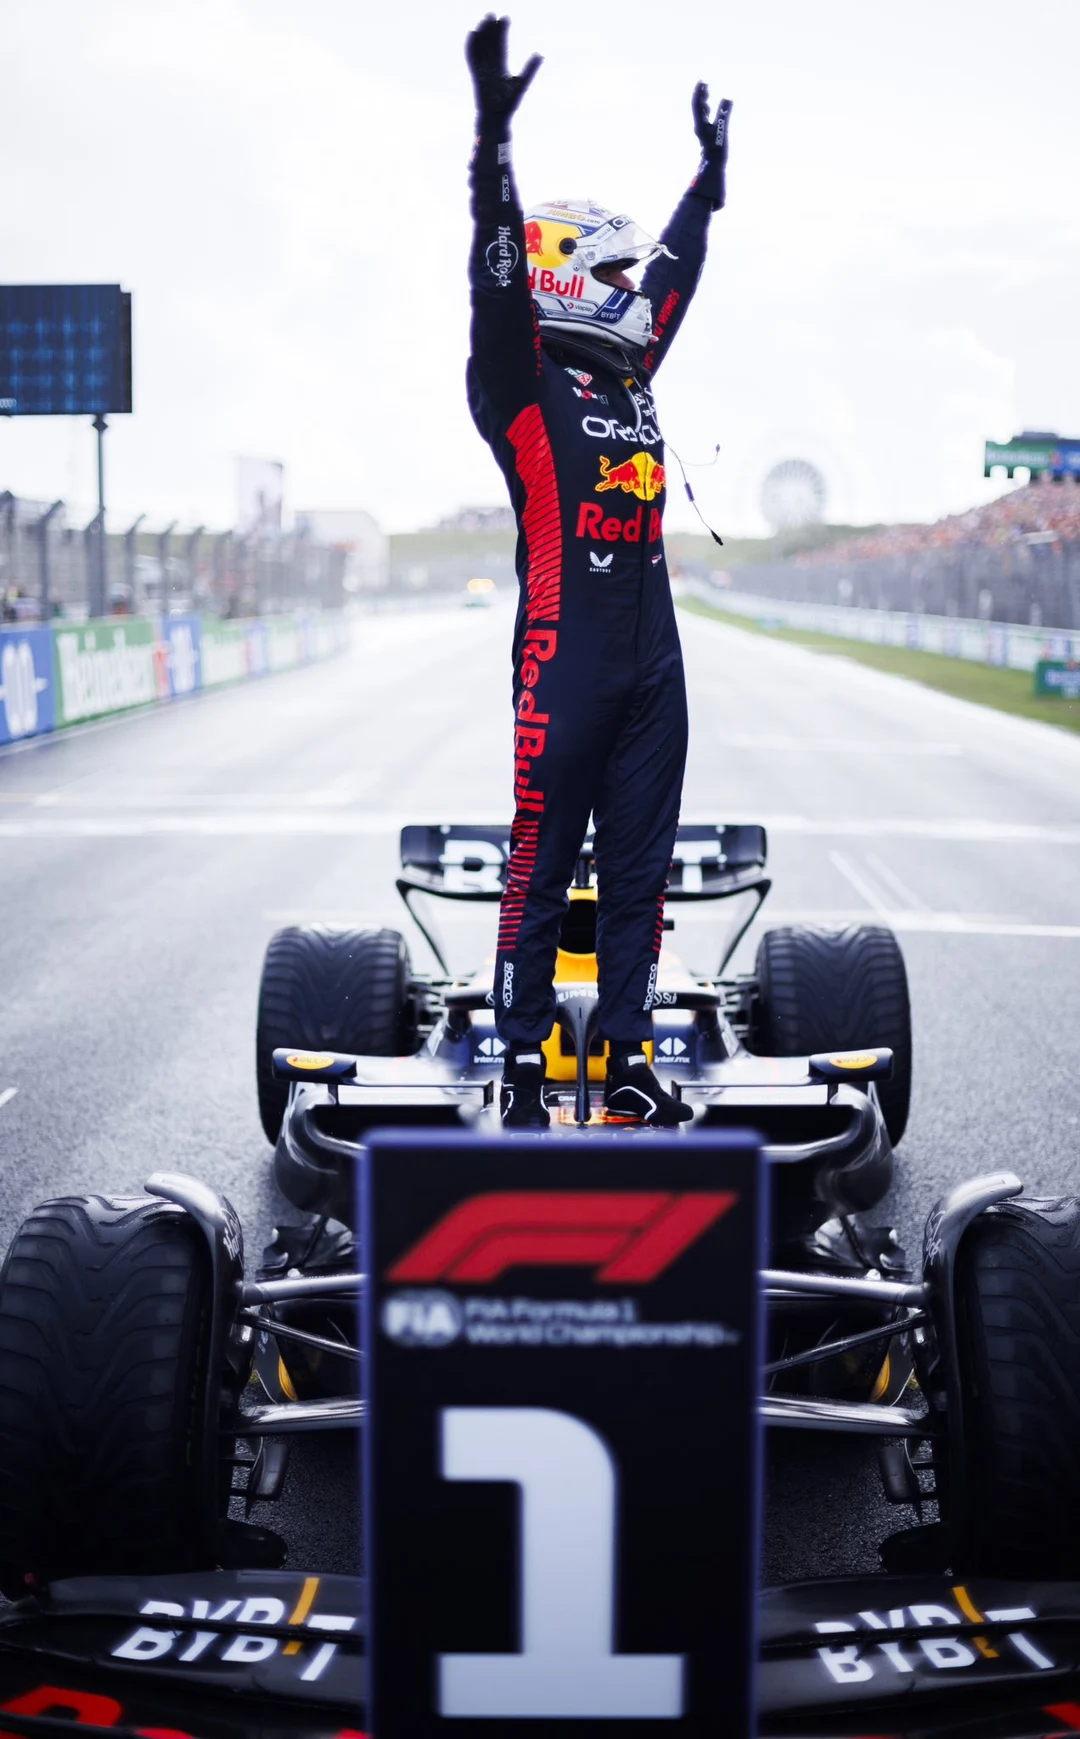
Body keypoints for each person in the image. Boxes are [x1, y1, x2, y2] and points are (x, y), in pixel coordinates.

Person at [466, 13, 731, 1128]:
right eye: (608, 267)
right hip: (562, 662)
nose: (630, 284)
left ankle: (625, 1061)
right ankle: (524, 1065)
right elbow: (489, 265)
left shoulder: (632, 370)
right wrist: (492, 149)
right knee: (538, 864)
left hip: (653, 667)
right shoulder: (515, 377)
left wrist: (706, 189)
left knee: (639, 874)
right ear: (561, 274)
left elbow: (674, 275)